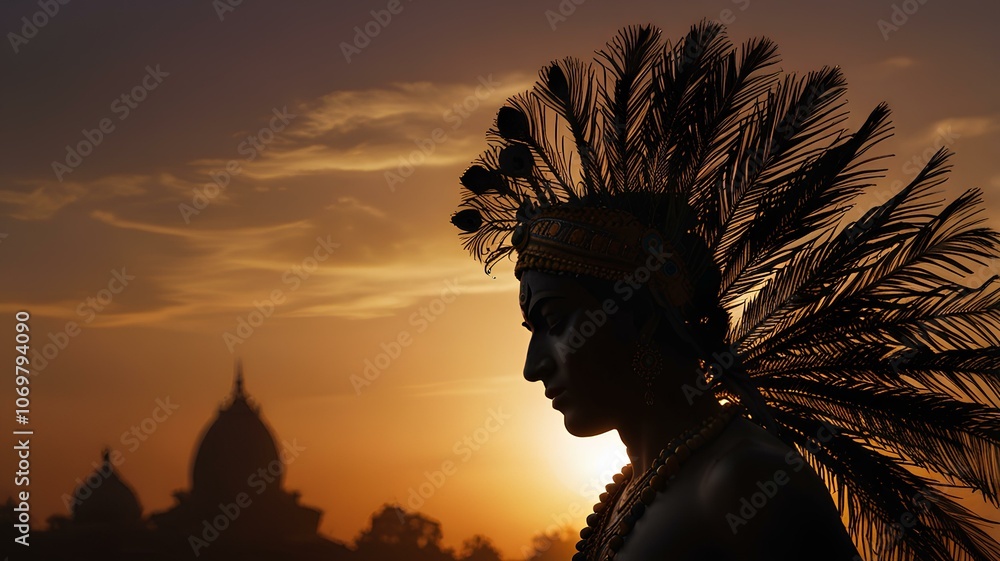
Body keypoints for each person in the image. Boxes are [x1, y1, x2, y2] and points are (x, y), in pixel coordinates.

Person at [451, 22, 1000, 561]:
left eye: (556, 319)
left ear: (642, 318)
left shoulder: (744, 480)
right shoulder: (632, 493)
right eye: (533, 330)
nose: (532, 365)